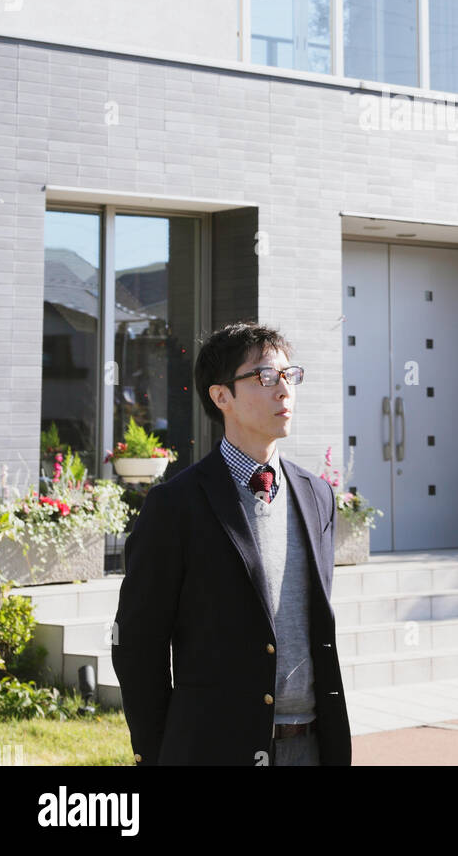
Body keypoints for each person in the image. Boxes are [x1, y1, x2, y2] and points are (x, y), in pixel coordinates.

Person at [111, 321, 351, 767]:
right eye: (265, 376)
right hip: (216, 748)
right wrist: (159, 753)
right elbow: (138, 646)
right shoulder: (175, 506)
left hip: (311, 745)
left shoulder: (317, 495)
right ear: (222, 396)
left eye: (289, 375)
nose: (284, 390)